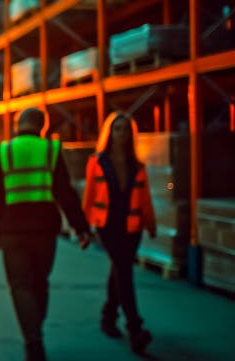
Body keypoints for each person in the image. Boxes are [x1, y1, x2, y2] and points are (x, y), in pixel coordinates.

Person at [0, 107, 92, 361]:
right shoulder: (51, 150)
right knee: (40, 282)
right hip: (44, 230)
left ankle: (33, 340)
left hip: (12, 231)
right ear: (42, 126)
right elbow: (65, 192)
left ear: (17, 124)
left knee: (20, 286)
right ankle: (35, 332)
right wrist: (81, 228)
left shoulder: (5, 151)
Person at [83, 112, 156, 354]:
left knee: (119, 271)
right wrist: (83, 228)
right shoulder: (97, 162)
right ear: (109, 132)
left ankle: (108, 317)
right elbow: (90, 194)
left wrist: (151, 223)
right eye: (117, 129)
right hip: (108, 226)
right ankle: (135, 328)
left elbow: (145, 198)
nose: (122, 134)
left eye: (126, 129)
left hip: (132, 227)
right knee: (124, 271)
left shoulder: (137, 166)